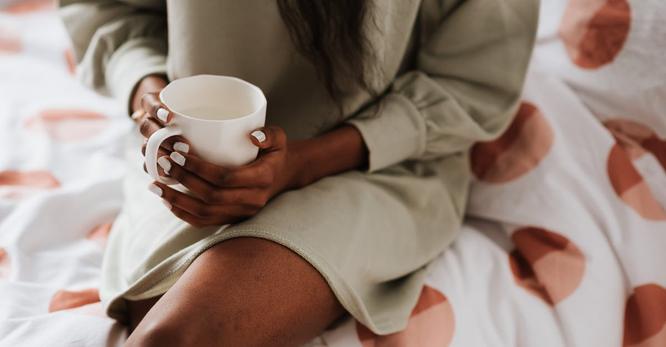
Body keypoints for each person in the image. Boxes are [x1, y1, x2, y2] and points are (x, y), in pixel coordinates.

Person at [59, 1, 538, 345]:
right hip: (190, 162)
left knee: (183, 333)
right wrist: (156, 102)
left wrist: (303, 163)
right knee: (170, 313)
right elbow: (112, 13)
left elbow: (472, 80)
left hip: (375, 161)